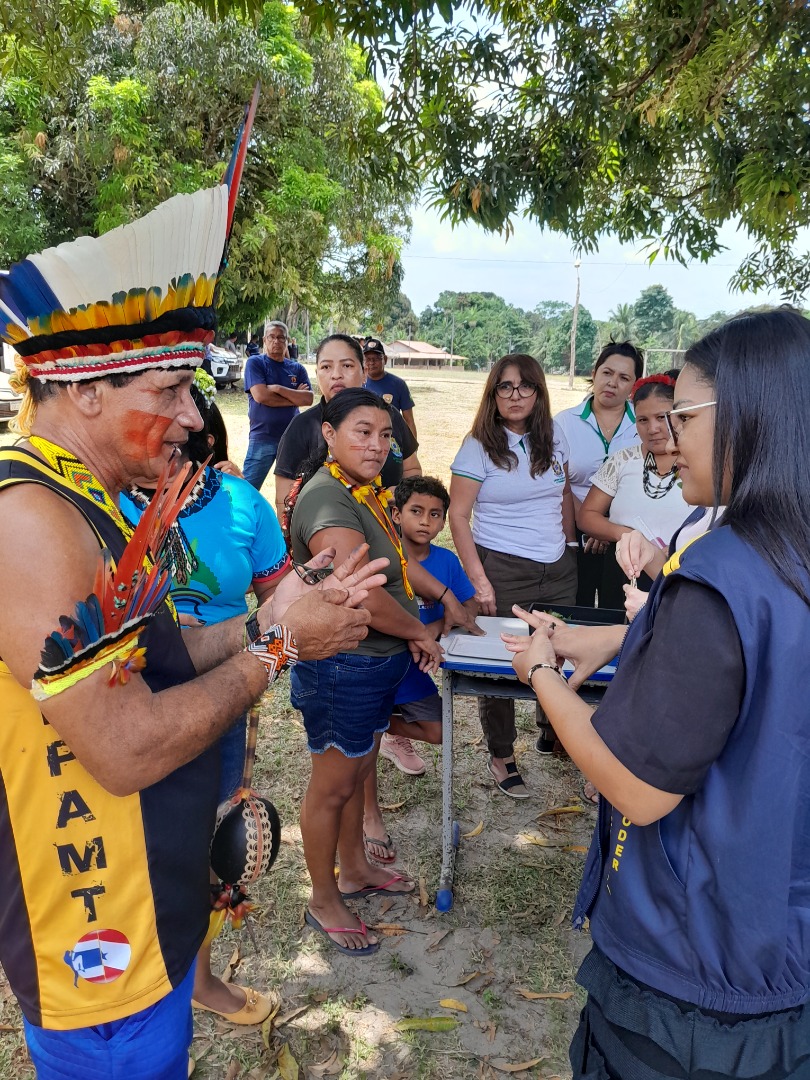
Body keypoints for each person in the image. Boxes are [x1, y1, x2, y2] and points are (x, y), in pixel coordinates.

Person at [0, 156, 385, 1077]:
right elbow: (124, 744)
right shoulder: (34, 521)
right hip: (92, 918)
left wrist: (273, 626)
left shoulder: (85, 498)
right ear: (86, 392)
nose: (189, 417)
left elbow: (149, 655)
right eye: (166, 392)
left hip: (140, 893)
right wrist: (287, 644)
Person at [505, 307, 810, 1080]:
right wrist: (623, 638)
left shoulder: (723, 570)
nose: (668, 434)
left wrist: (542, 670)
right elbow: (762, 670)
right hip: (782, 928)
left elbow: (637, 788)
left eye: (684, 415)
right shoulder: (788, 551)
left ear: (748, 417)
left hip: (693, 967)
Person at [121, 374, 290, 1023]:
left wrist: (281, 651)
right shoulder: (108, 506)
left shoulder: (246, 504)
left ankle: (196, 976)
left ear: (210, 441)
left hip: (222, 697)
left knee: (209, 831)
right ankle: (134, 964)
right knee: (136, 834)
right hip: (129, 699)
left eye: (183, 442)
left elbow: (280, 607)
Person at [288, 389, 443, 955]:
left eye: (385, 434)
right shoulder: (328, 497)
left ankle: (353, 870)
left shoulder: (365, 490)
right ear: (328, 434)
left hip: (372, 664)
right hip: (342, 667)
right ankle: (324, 898)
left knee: (354, 775)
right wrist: (419, 631)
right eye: (362, 431)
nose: (378, 445)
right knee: (331, 787)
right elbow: (363, 597)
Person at [449, 353, 577, 798]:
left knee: (559, 651)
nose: (516, 395)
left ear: (539, 393)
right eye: (505, 386)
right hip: (502, 566)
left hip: (558, 567)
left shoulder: (554, 436)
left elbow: (561, 495)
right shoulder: (478, 445)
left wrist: (570, 546)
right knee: (502, 663)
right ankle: (501, 752)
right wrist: (479, 580)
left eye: (526, 386)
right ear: (493, 394)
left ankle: (553, 730)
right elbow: (459, 516)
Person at [363, 475, 478, 863]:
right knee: (366, 743)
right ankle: (371, 816)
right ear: (395, 514)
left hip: (415, 670)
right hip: (380, 661)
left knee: (440, 729)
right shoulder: (382, 558)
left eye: (435, 514)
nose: (425, 521)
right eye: (415, 511)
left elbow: (470, 605)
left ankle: (388, 728)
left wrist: (436, 628)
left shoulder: (445, 561)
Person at [274, 334, 420, 522]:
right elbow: (283, 501)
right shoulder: (302, 426)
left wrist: (399, 494)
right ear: (317, 374)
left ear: (364, 372)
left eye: (347, 366)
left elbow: (412, 469)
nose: (336, 375)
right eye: (326, 367)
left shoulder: (389, 416)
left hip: (392, 535)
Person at [577, 374, 690, 608]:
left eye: (662, 417)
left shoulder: (697, 464)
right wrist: (623, 534)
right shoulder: (623, 461)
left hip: (678, 572)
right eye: (643, 420)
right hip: (621, 573)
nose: (653, 428)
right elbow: (587, 516)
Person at [554, 340, 643, 607]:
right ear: (594, 374)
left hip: (628, 540)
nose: (613, 382)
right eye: (607, 372)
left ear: (633, 386)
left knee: (617, 614)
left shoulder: (643, 426)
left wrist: (606, 529)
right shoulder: (563, 423)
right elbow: (560, 483)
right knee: (574, 609)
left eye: (624, 377)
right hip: (573, 535)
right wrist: (589, 524)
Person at [242, 320, 313, 491]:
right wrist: (294, 396)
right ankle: (244, 518)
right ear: (265, 340)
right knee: (248, 490)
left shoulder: (297, 369)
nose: (276, 341)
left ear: (287, 341)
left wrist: (278, 389)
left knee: (292, 492)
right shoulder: (255, 363)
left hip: (291, 438)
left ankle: (287, 519)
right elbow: (261, 396)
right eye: (272, 337)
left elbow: (308, 399)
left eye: (281, 338)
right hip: (263, 437)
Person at [362, 337, 417, 437]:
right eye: (368, 359)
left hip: (393, 445)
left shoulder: (399, 384)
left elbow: (409, 421)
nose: (371, 362)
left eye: (376, 358)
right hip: (365, 444)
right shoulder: (357, 384)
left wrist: (413, 451)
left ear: (385, 359)